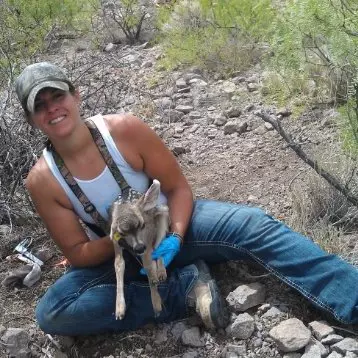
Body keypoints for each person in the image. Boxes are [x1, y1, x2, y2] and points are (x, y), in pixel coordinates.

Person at [14, 62, 358, 336]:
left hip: (173, 227)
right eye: (40, 106)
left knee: (251, 223)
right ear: (31, 120)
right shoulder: (43, 181)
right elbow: (77, 253)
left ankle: (350, 297)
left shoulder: (124, 130)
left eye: (57, 97)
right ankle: (184, 289)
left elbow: (177, 188)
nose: (52, 109)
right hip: (119, 256)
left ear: (75, 95)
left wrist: (175, 238)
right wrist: (123, 239)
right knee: (54, 311)